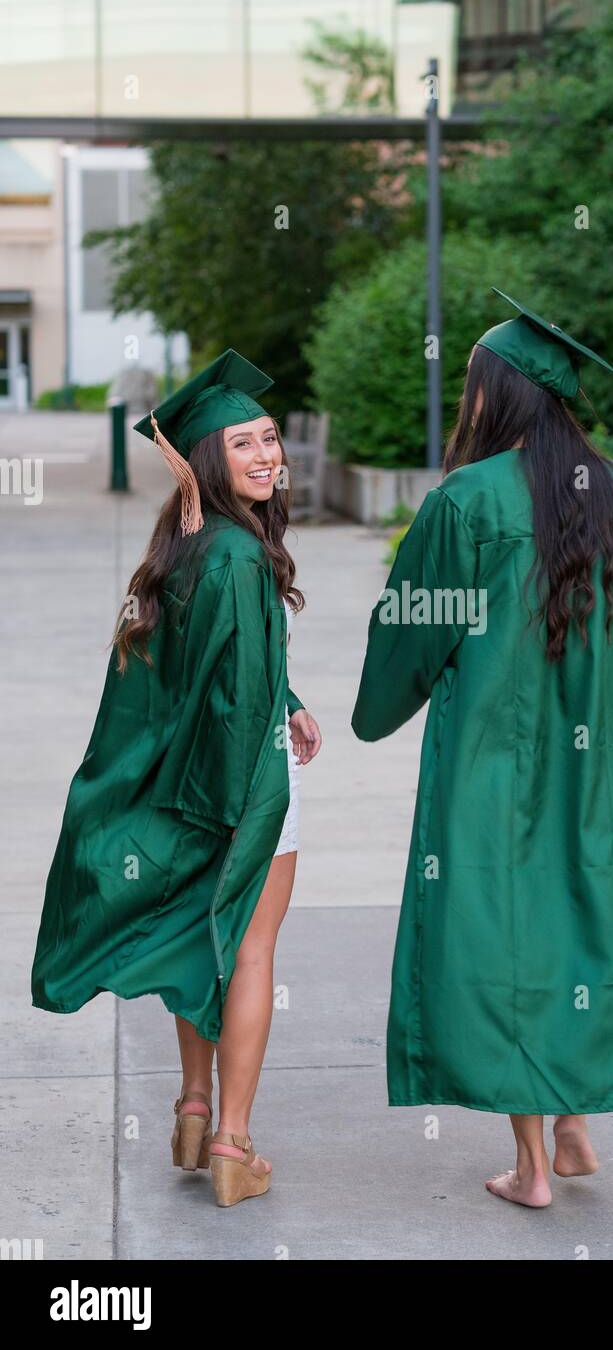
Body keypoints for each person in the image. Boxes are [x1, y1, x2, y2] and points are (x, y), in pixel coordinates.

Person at [351, 289, 613, 1209]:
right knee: (583, 926)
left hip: (489, 771)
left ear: (499, 395)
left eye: (474, 385)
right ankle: (573, 1128)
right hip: (597, 770)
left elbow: (414, 631)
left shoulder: (464, 502)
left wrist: (378, 707)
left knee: (506, 938)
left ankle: (530, 1167)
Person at [31, 349, 322, 1208]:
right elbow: (230, 700)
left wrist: (289, 692)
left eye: (271, 439)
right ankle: (233, 1143)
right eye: (245, 445)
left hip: (194, 783)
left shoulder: (191, 542)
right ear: (208, 460)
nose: (268, 455)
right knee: (250, 950)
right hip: (241, 785)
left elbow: (200, 661)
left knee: (203, 942)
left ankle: (194, 1109)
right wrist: (243, 811)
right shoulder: (237, 554)